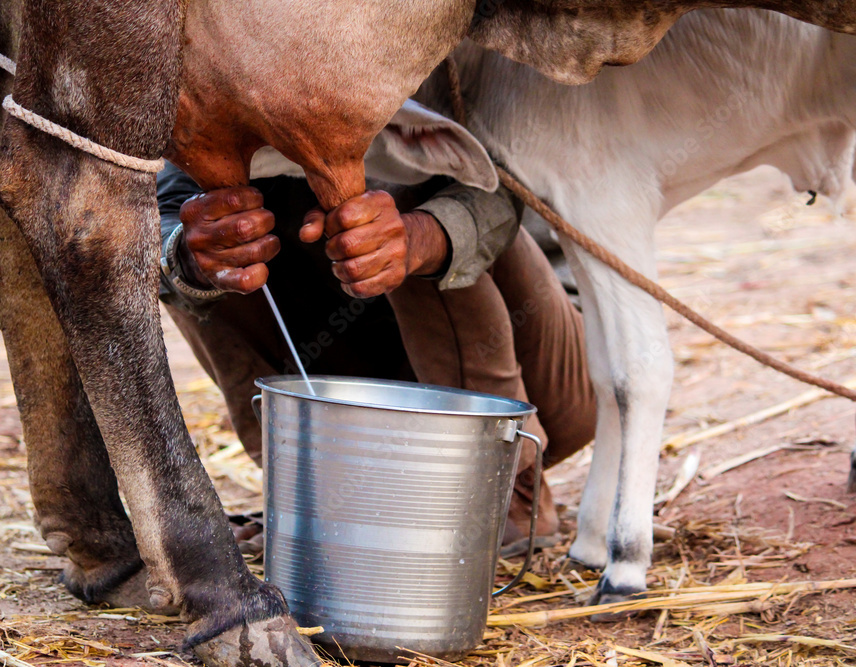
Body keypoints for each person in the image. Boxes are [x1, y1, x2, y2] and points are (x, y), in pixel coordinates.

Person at [157, 106, 595, 551]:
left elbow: (497, 190)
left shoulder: (410, 71)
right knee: (202, 250)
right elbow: (156, 222)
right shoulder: (216, 102)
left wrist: (416, 238)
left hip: (548, 383)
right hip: (371, 388)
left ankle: (505, 487)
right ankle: (314, 492)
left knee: (395, 203)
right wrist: (193, 258)